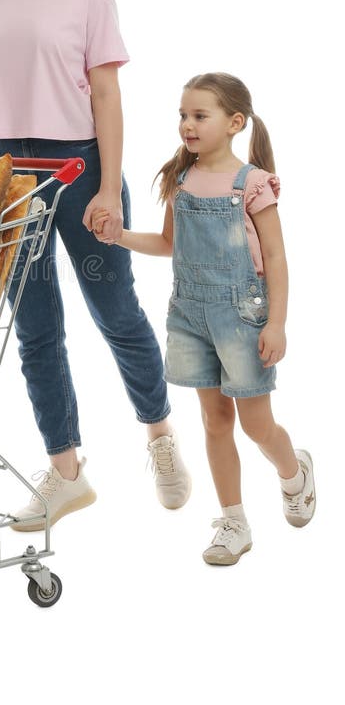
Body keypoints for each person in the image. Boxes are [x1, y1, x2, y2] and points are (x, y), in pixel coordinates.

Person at [0, 0, 191, 531]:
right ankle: (65, 472)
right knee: (35, 326)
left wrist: (108, 185)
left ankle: (159, 435)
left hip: (78, 170)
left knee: (115, 310)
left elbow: (105, 94)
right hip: (6, 175)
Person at [105, 72, 315, 564]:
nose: (188, 124)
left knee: (257, 426)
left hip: (243, 319)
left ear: (235, 122)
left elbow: (277, 260)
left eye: (200, 115)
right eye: (183, 115)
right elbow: (168, 244)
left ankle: (295, 473)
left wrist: (277, 323)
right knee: (215, 421)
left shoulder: (253, 185)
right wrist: (119, 237)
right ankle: (233, 522)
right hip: (190, 316)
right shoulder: (181, 179)